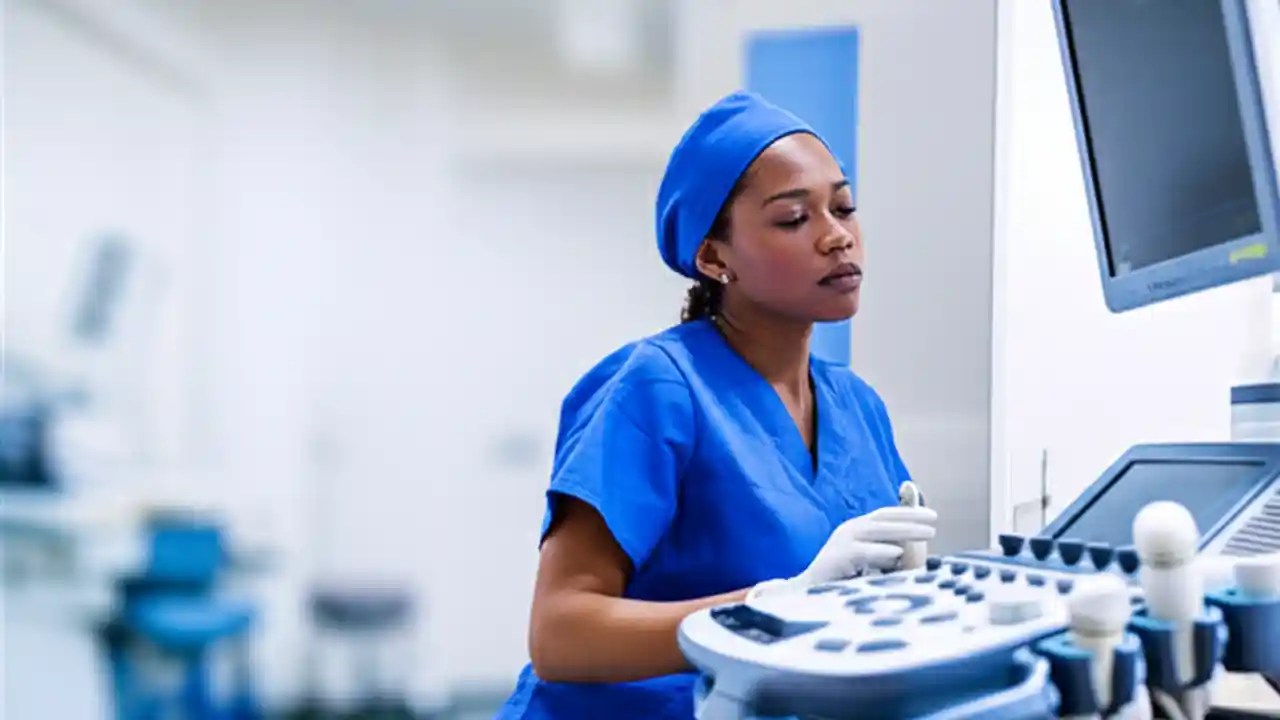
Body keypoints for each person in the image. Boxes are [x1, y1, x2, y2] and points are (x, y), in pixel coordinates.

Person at [496, 91, 937, 720]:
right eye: (794, 219)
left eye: (844, 207)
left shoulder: (859, 408)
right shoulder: (656, 387)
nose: (838, 237)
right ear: (713, 257)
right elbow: (560, 634)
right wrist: (771, 607)